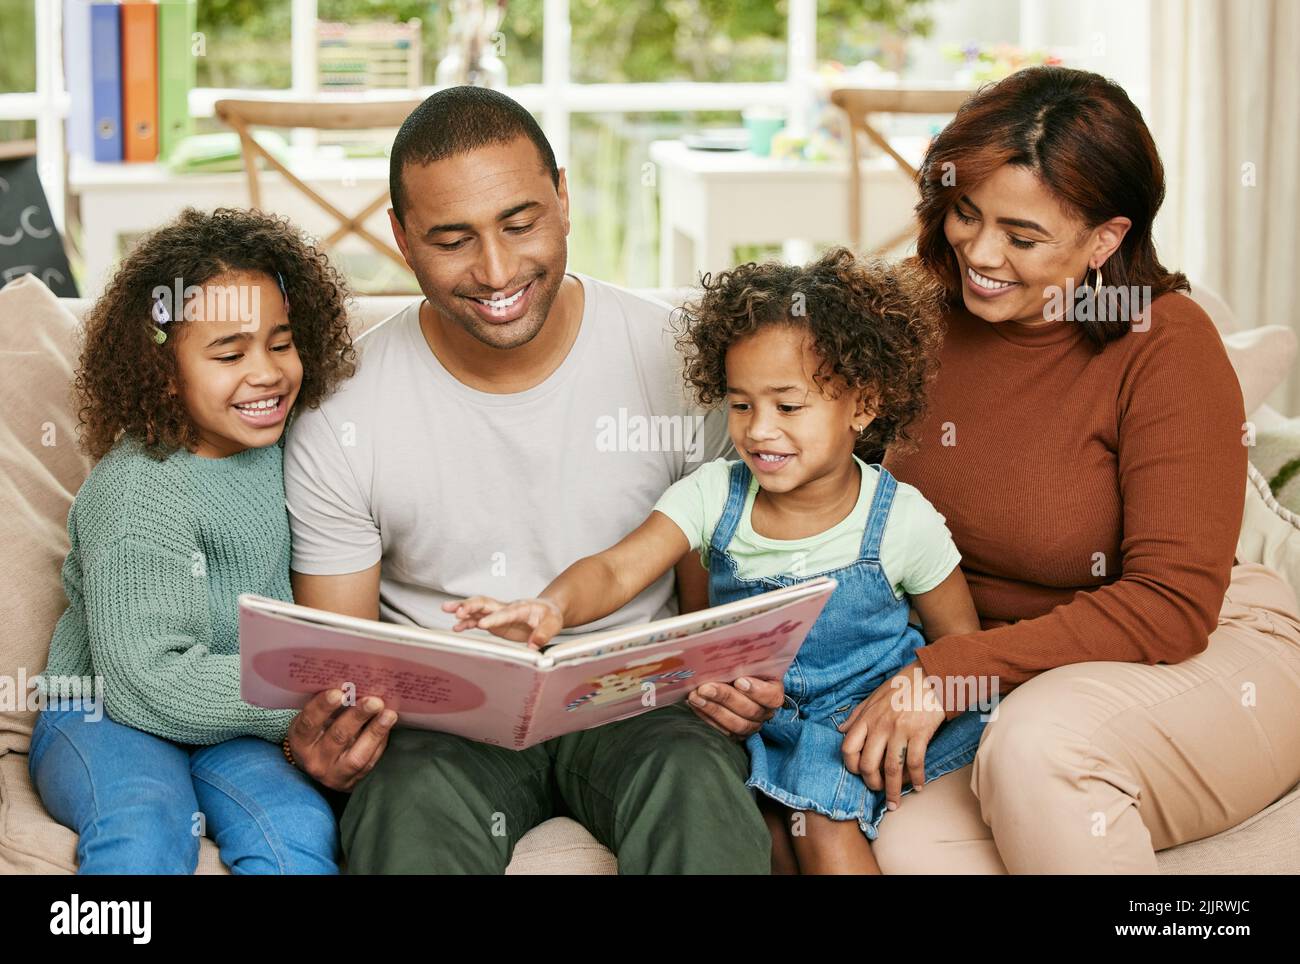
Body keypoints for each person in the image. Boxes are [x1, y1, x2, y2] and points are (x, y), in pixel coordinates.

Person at [282, 86, 777, 873]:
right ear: (402, 239)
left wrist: (732, 689)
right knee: (403, 807)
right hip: (442, 728)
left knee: (695, 780)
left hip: (637, 704)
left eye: (521, 224)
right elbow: (345, 669)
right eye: (452, 239)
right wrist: (329, 738)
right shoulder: (339, 408)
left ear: (564, 199)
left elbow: (703, 611)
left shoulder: (681, 363)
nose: (497, 269)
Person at [863, 65, 1300, 873]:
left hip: (1206, 651)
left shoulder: (1164, 343)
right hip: (1023, 674)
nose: (982, 253)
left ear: (1105, 239)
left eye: (1023, 238)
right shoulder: (922, 322)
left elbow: (1172, 607)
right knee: (901, 842)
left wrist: (953, 669)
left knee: (1039, 747)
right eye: (966, 214)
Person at [447, 249, 997, 874]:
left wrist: (918, 706)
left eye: (788, 407)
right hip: (752, 726)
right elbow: (618, 568)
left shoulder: (902, 519)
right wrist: (551, 607)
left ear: (863, 405)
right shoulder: (714, 493)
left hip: (862, 727)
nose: (759, 430)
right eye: (741, 404)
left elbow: (962, 645)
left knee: (820, 826)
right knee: (751, 836)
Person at [30, 207, 356, 873]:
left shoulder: (296, 450)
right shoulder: (138, 489)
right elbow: (146, 683)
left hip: (230, 722)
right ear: (164, 371)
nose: (265, 372)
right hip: (105, 715)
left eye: (281, 341)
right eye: (230, 353)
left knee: (295, 829)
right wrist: (309, 688)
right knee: (145, 823)